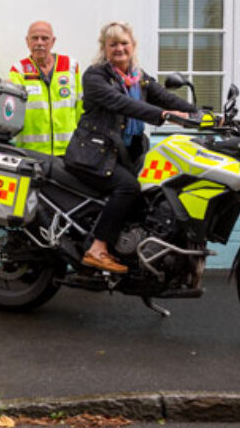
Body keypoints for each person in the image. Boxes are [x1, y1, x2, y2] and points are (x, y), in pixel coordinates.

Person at [63, 21, 193, 274]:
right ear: (104, 48)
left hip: (125, 156)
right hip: (94, 155)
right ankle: (98, 248)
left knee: (152, 192)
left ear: (133, 46)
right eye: (113, 44)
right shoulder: (95, 76)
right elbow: (123, 104)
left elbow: (167, 98)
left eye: (124, 43)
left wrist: (206, 115)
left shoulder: (138, 78)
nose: (120, 48)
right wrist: (165, 115)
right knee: (128, 187)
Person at [8, 20, 81, 157]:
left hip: (68, 151)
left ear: (53, 41)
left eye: (45, 38)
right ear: (27, 41)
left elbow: (80, 106)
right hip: (31, 152)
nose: (40, 42)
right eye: (35, 38)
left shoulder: (70, 65)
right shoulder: (19, 70)